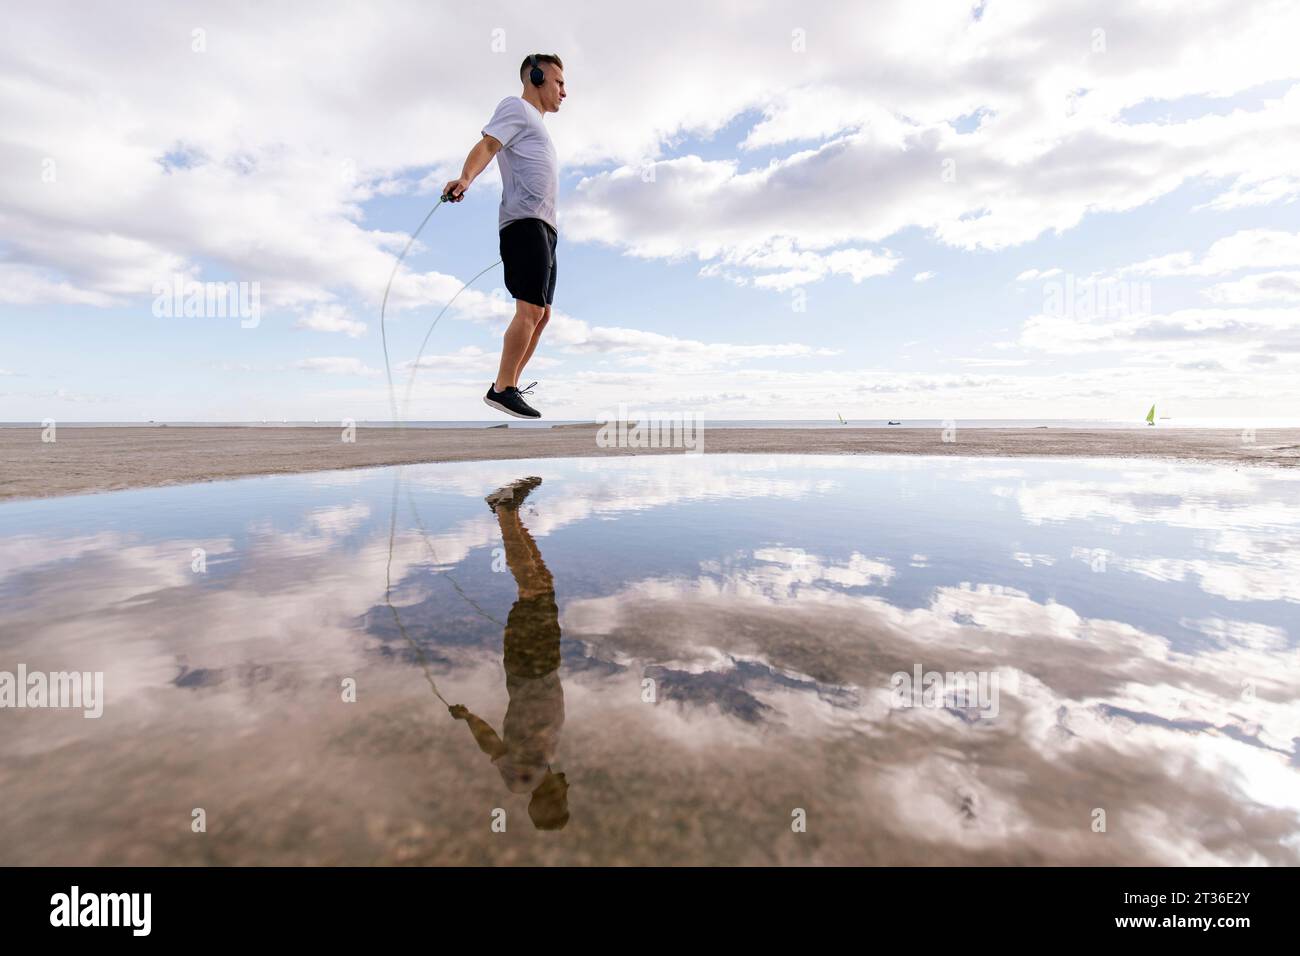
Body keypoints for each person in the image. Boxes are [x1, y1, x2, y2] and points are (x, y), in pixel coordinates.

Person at [442, 54, 566, 420]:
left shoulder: (538, 126)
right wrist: (465, 178)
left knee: (542, 315)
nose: (564, 91)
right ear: (537, 77)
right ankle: (503, 388)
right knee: (529, 309)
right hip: (523, 223)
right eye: (558, 82)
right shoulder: (516, 108)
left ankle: (506, 386)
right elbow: (488, 146)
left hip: (545, 228)